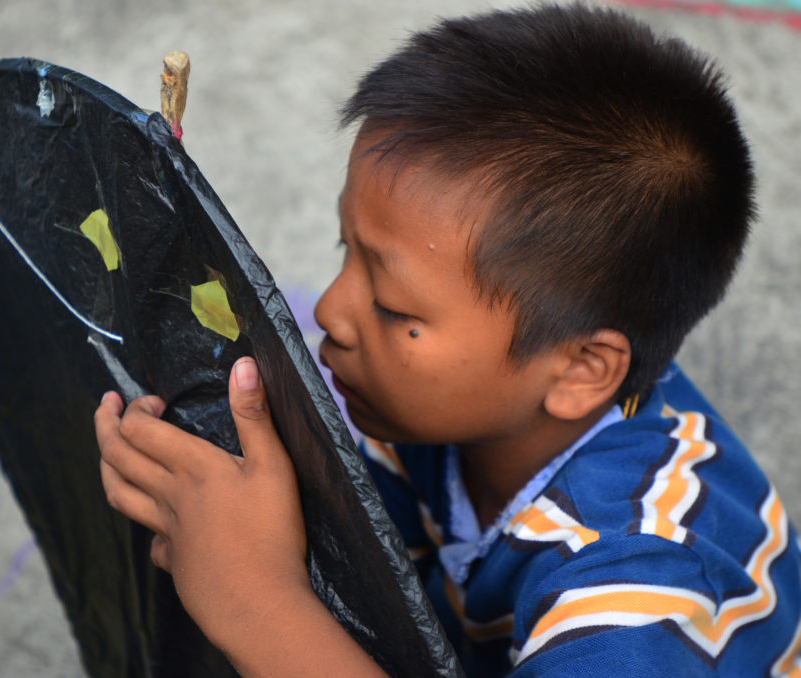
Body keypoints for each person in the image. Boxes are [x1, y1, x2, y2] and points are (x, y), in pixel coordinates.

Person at [94, 3, 801, 675]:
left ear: (582, 369)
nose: (333, 313)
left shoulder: (642, 599)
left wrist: (251, 598)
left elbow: (262, 600)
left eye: (395, 306)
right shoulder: (448, 404)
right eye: (347, 250)